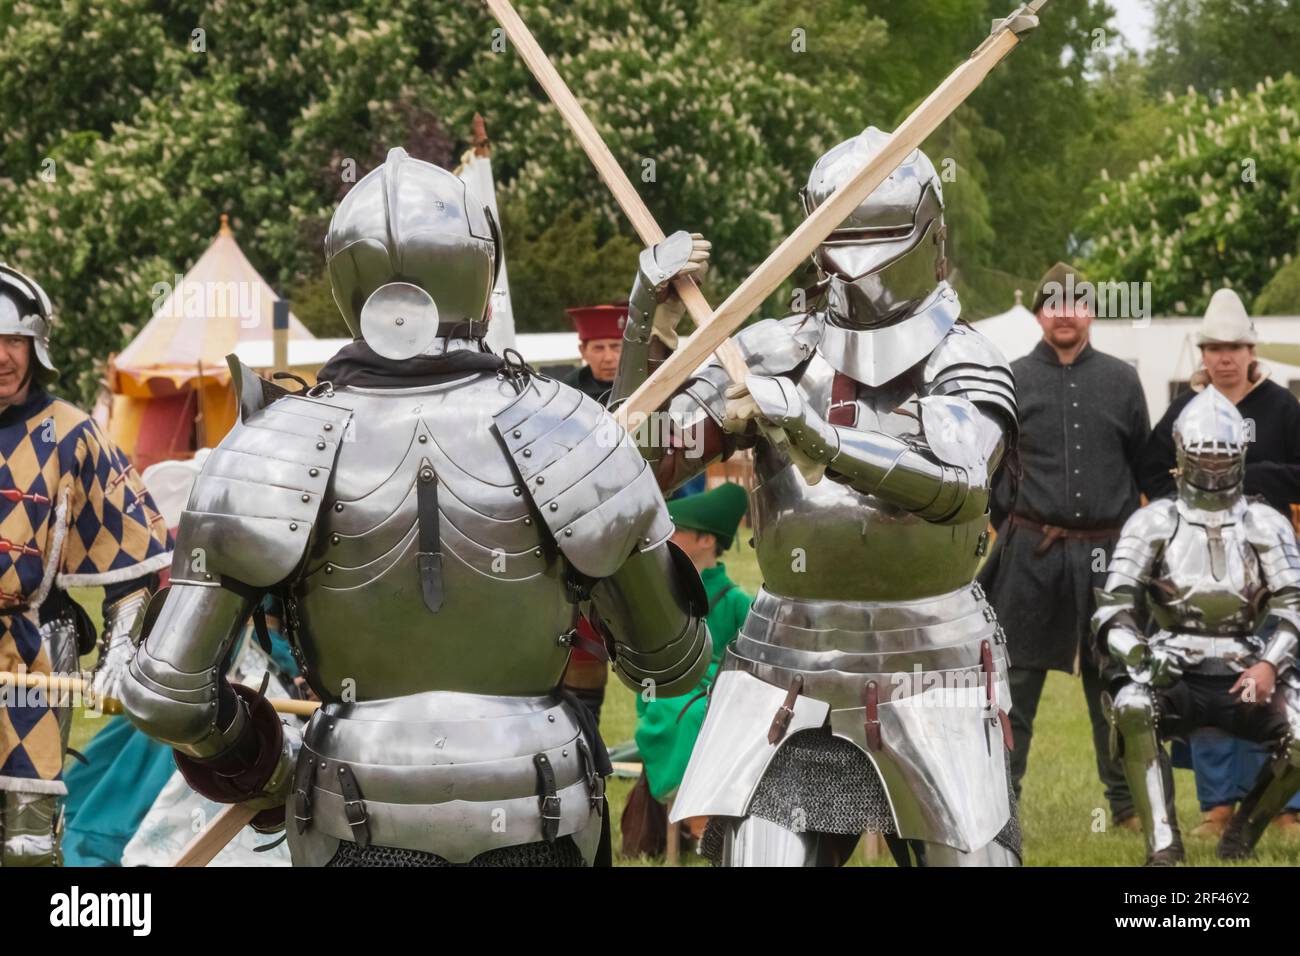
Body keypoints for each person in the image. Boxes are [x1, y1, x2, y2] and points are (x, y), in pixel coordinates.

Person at [118, 148, 712, 867]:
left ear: (346, 278)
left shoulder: (268, 447)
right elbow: (670, 664)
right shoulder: (571, 427)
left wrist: (266, 771)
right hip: (541, 803)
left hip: (352, 808)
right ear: (480, 270)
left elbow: (170, 698)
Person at [614, 127, 1021, 866]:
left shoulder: (963, 356)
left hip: (935, 657)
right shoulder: (769, 349)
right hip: (785, 665)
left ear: (929, 234)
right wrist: (647, 326)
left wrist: (810, 432)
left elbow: (957, 485)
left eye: (886, 229)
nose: (863, 258)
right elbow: (620, 465)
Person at [0, 263, 172, 866]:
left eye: (12, 341)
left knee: (26, 841)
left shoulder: (72, 434)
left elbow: (133, 562)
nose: (1, 357)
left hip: (36, 649)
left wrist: (121, 652)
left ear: (35, 346)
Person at [1093, 387, 1300, 864]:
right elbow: (1112, 607)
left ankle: (1242, 834)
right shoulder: (1153, 521)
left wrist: (1269, 663)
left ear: (1240, 455)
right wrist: (1142, 655)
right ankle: (1163, 844)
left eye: (1221, 454)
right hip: (1173, 670)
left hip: (1245, 675)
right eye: (1203, 453)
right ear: (1181, 455)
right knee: (1132, 706)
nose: (1211, 465)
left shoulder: (1265, 523)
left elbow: (1293, 604)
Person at [981, 262, 1149, 829]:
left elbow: (1143, 466)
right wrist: (1019, 522)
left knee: (1114, 683)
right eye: (1054, 304)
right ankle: (1003, 805)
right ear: (1039, 313)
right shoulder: (1012, 378)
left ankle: (1125, 808)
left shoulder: (1124, 381)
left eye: (1076, 303)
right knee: (1016, 686)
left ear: (1091, 311)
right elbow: (993, 466)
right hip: (1031, 551)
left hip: (1108, 555)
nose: (1065, 314)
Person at [1137, 288, 1300, 836]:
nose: (1223, 357)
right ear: (1202, 352)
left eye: (1233, 347)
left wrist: (1249, 481)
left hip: (1265, 570)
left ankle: (1282, 808)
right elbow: (1152, 472)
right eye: (1214, 348)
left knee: (1272, 683)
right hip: (1201, 574)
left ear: (1250, 350)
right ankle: (1217, 807)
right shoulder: (1185, 409)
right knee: (1208, 681)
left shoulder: (1281, 407)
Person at [626, 483, 752, 851]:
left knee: (701, 713)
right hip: (667, 693)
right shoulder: (663, 597)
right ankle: (688, 816)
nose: (670, 537)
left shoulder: (736, 602)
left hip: (718, 695)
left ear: (706, 541)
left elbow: (747, 668)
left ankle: (707, 820)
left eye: (678, 531)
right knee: (679, 711)